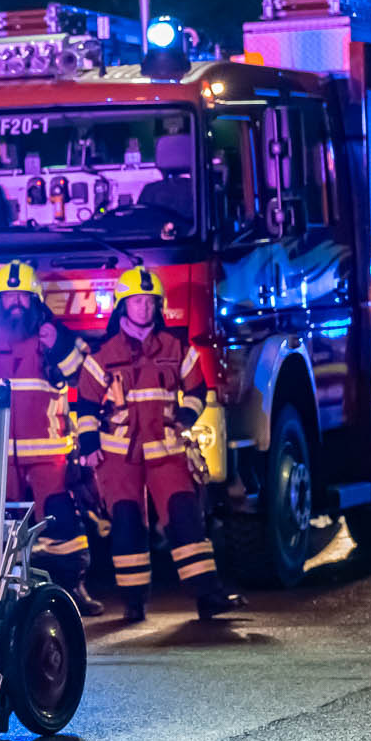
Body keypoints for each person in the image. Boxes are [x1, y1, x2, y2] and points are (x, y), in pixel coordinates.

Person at [79, 266, 246, 623]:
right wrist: (89, 442)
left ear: (158, 306)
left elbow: (198, 389)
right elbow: (87, 405)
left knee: (185, 518)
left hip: (167, 450)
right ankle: (134, 603)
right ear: (123, 308)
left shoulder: (176, 348)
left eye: (149, 303)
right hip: (118, 454)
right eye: (136, 302)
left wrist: (186, 418)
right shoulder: (102, 355)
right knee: (126, 524)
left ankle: (208, 595)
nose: (143, 309)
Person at [0, 260, 103, 617]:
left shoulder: (54, 338)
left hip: (49, 459)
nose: (16, 304)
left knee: (63, 529)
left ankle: (72, 592)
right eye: (9, 297)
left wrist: (61, 346)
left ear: (35, 300)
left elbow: (84, 380)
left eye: (23, 296)